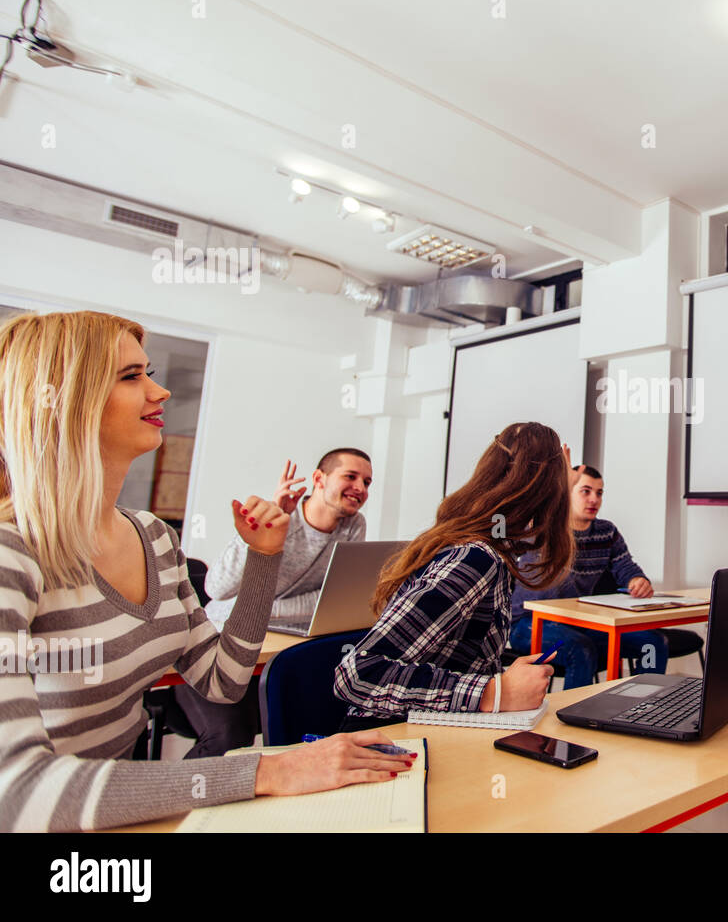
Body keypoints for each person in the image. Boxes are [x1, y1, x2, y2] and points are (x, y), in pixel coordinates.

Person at [0, 311, 409, 832]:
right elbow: (16, 793)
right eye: (132, 377)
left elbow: (222, 682)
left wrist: (264, 560)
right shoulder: (11, 553)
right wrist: (264, 770)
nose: (161, 391)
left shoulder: (152, 536)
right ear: (63, 400)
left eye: (148, 371)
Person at [333, 422, 576, 726]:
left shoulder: (492, 551)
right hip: (394, 746)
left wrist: (501, 684)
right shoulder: (476, 560)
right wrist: (493, 692)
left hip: (439, 734)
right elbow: (358, 675)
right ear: (548, 489)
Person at [175, 449, 374, 756]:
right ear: (319, 479)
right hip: (216, 648)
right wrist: (258, 533)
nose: (360, 488)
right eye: (350, 476)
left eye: (367, 481)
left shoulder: (353, 526)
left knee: (313, 720)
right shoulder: (279, 516)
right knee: (229, 737)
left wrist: (259, 606)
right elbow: (216, 589)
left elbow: (332, 602)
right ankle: (176, 801)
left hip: (276, 648)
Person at [507, 466, 669, 688]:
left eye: (599, 493)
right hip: (529, 626)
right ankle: (571, 718)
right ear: (567, 493)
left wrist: (637, 581)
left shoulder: (606, 532)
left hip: (580, 622)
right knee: (580, 650)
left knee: (653, 643)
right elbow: (517, 514)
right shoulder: (543, 528)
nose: (594, 499)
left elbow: (625, 567)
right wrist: (556, 486)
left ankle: (641, 708)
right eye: (585, 491)